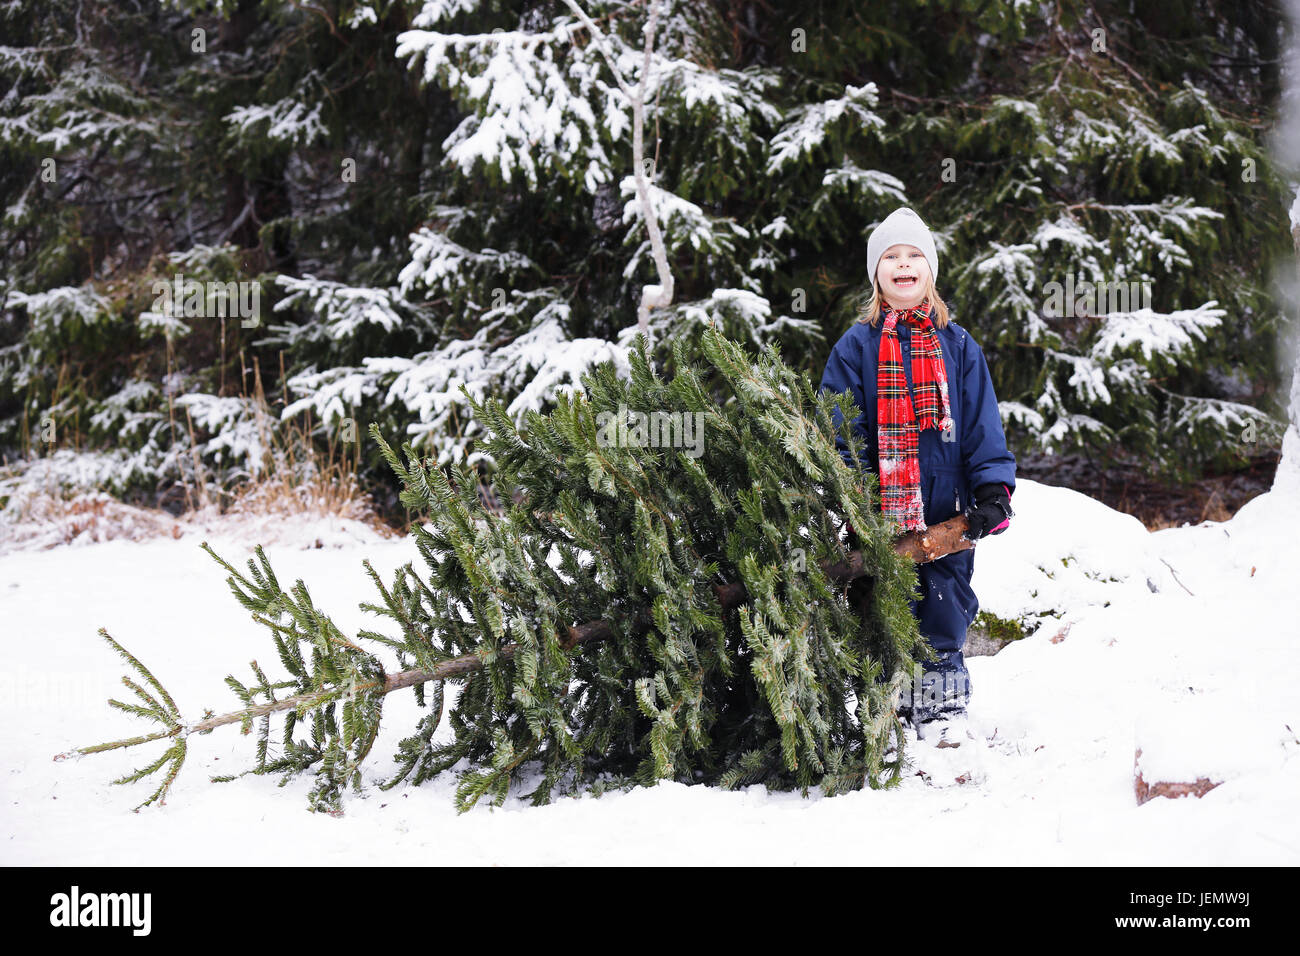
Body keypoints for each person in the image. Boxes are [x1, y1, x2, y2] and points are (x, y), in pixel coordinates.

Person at [819, 206, 1016, 725]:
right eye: (891, 256)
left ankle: (942, 715)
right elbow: (840, 427)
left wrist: (993, 489)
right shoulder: (855, 346)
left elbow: (980, 424)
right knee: (881, 606)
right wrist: (853, 493)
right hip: (880, 506)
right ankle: (885, 716)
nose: (903, 265)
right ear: (876, 273)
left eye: (914, 256)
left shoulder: (958, 345)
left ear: (929, 271)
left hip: (947, 507)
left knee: (945, 603)